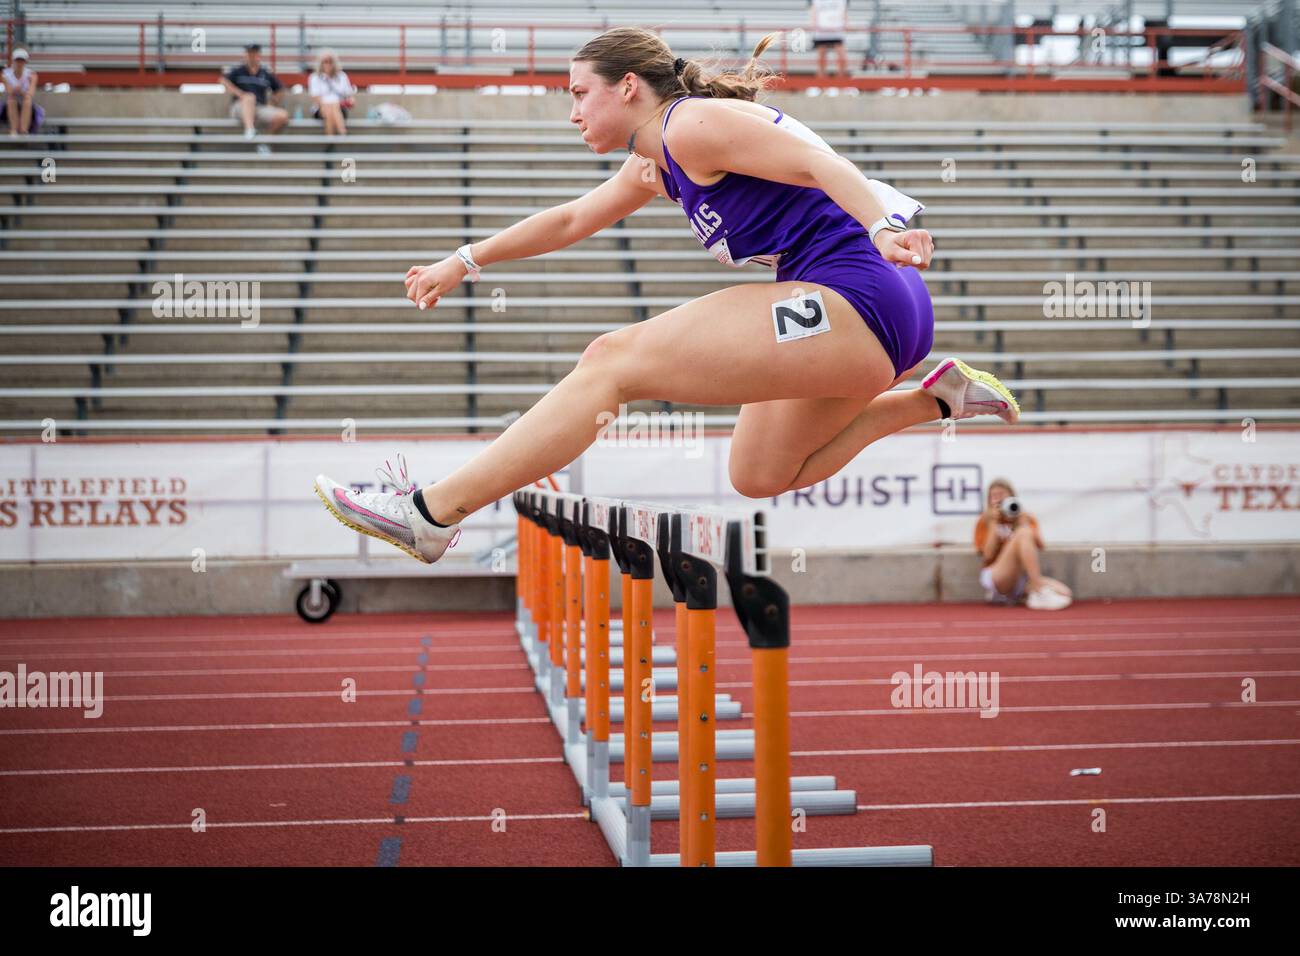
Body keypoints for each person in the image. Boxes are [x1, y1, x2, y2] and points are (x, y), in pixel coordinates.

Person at [313, 28, 1020, 564]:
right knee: (759, 474)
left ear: (627, 87)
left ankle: (430, 514)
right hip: (861, 328)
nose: (571, 114)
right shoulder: (654, 163)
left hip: (861, 289)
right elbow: (568, 220)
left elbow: (817, 161)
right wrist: (465, 259)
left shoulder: (691, 125)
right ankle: (937, 399)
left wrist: (886, 225)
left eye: (577, 93)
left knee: (613, 360)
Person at [975, 478, 1073, 610]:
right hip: (998, 576)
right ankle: (1037, 591)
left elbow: (1040, 546)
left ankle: (1028, 594)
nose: (998, 499)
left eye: (1002, 495)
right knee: (1023, 533)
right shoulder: (985, 520)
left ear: (1012, 497)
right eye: (994, 496)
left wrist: (1023, 523)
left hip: (1021, 579)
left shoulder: (1025, 518)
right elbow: (987, 555)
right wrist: (994, 524)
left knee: (1065, 593)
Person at [220, 43, 288, 150]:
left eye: (253, 54)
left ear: (258, 56)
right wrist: (241, 94)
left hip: (259, 107)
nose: (251, 56)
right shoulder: (238, 71)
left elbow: (280, 89)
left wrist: (272, 102)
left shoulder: (265, 73)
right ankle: (249, 130)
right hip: (240, 107)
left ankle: (265, 143)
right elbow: (223, 81)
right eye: (249, 53)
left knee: (283, 115)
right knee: (249, 97)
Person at [309, 49, 354, 137]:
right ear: (321, 63)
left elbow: (348, 94)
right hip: (321, 109)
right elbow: (316, 98)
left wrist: (351, 101)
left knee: (332, 107)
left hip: (339, 109)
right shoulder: (315, 77)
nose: (328, 64)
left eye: (331, 62)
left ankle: (330, 142)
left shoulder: (342, 76)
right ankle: (342, 133)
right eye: (325, 62)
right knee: (330, 107)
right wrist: (327, 105)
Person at [2, 48, 41, 137]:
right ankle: (14, 129)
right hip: (11, 103)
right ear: (13, 61)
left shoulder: (32, 74)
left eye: (22, 60)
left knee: (27, 100)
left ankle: (23, 130)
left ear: (25, 62)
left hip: (27, 104)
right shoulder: (6, 74)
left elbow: (30, 93)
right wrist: (19, 91)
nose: (19, 63)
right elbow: (9, 91)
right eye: (17, 60)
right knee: (11, 100)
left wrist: (20, 91)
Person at [808, 0, 850, 77]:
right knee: (821, 56)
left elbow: (844, 10)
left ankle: (841, 82)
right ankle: (821, 82)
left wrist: (846, 24)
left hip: (837, 30)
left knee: (841, 56)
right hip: (821, 30)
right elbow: (813, 10)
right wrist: (814, 26)